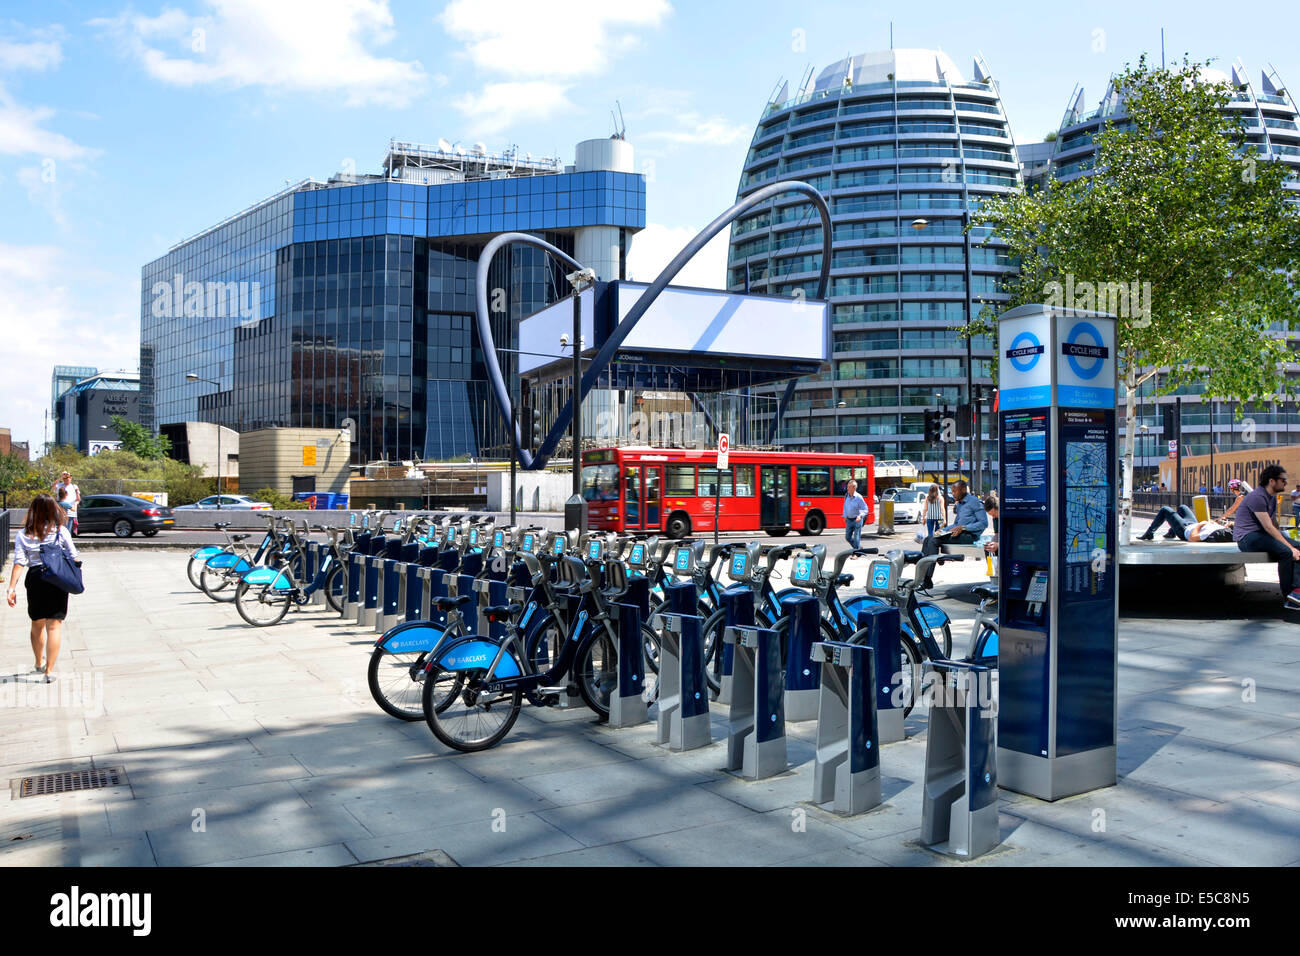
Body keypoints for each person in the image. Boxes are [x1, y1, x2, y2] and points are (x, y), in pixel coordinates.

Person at [6, 494, 81, 682]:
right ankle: (49, 672)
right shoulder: (60, 532)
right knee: (54, 626)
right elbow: (74, 556)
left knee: (37, 624)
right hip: (56, 579)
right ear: (53, 509)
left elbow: (19, 562)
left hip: (35, 578)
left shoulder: (23, 534)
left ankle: (38, 662)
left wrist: (11, 588)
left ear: (33, 510)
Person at [1233, 464, 1300, 609]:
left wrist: (1288, 540)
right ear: (1272, 481)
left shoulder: (1272, 498)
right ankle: (1289, 594)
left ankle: (1297, 590)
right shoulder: (1258, 496)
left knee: (1298, 547)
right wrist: (1289, 547)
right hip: (1247, 538)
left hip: (1260, 535)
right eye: (1283, 480)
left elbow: (1274, 525)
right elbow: (1268, 526)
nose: (1286, 483)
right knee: (1286, 552)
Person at [934, 480, 988, 545]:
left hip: (970, 535)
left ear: (964, 490)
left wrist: (964, 528)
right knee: (929, 538)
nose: (953, 494)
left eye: (955, 491)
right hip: (959, 533)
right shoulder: (959, 504)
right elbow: (956, 524)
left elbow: (984, 523)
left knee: (934, 540)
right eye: (952, 492)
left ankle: (931, 555)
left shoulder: (975, 502)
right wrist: (943, 531)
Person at [842, 478, 868, 549]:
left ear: (854, 488)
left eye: (849, 487)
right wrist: (845, 516)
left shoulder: (859, 497)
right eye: (847, 486)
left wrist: (860, 516)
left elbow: (865, 509)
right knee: (847, 537)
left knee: (856, 538)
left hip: (857, 520)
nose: (847, 488)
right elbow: (845, 506)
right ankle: (858, 547)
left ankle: (856, 553)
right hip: (849, 520)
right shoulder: (846, 496)